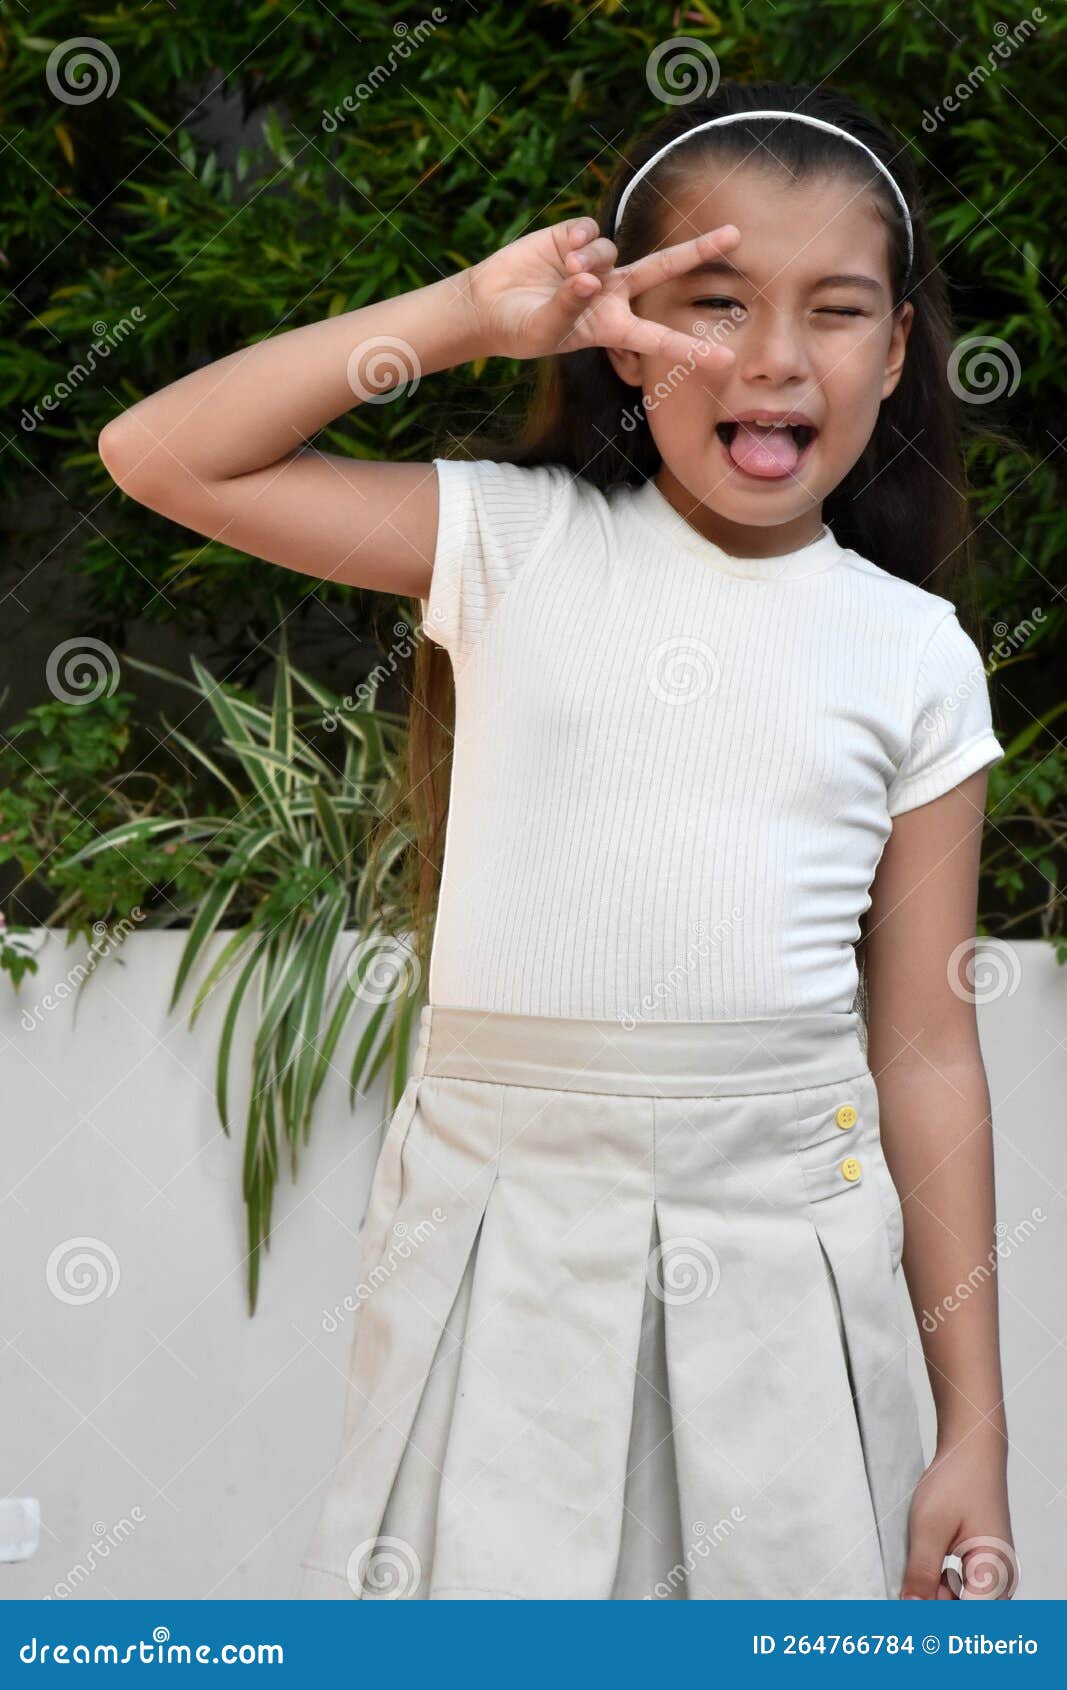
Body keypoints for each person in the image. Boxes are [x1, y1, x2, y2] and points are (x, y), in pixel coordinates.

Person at [98, 78, 1016, 1602]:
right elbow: (160, 453)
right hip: (498, 1230)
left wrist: (974, 1426)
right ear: (625, 332)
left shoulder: (917, 653)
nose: (776, 357)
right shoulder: (511, 543)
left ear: (900, 347)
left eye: (838, 310)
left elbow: (926, 1049)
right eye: (715, 302)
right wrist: (468, 316)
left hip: (789, 1247)